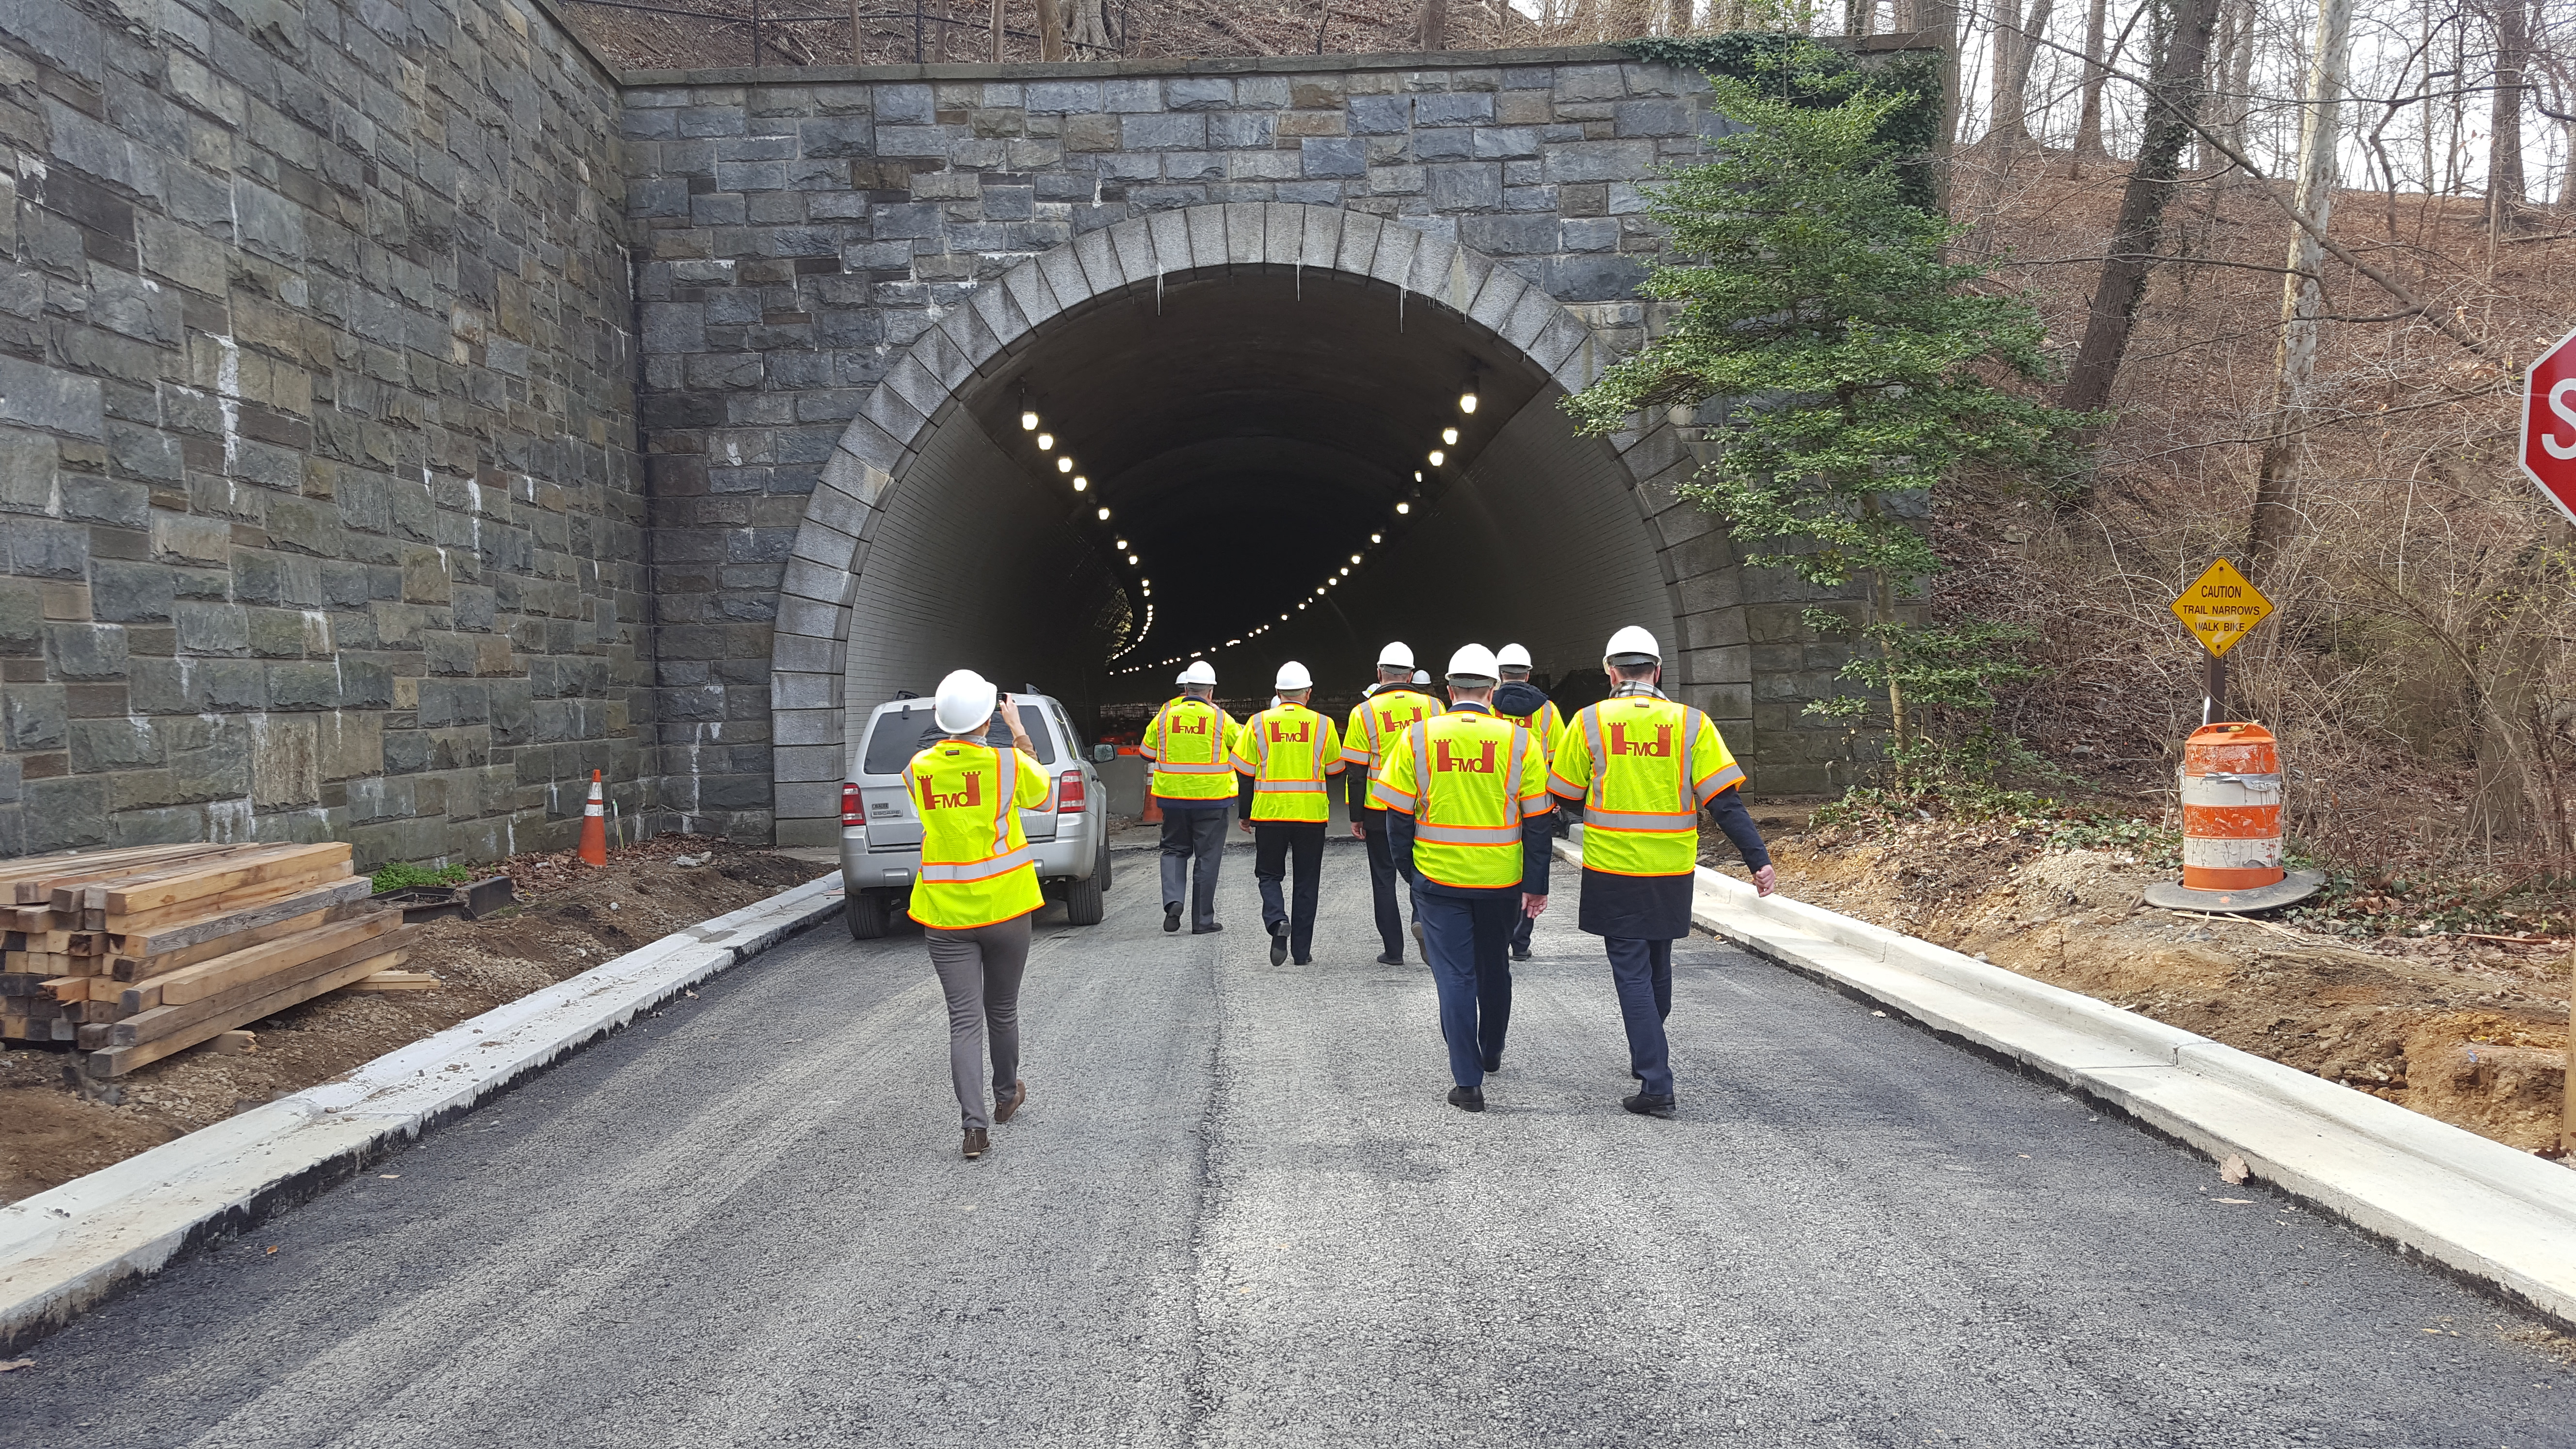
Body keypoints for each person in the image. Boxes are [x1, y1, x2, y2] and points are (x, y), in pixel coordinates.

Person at [1547, 626, 1776, 1119]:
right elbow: (1724, 801)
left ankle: (1655, 1082)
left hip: (1613, 866)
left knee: (1630, 973)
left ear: (1610, 671)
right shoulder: (1692, 724)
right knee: (1656, 964)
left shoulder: (1588, 721)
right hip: (1671, 866)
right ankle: (1647, 1052)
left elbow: (1562, 794)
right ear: (1657, 671)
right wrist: (1757, 859)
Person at [1375, 644, 1553, 1113]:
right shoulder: (1520, 742)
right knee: (1495, 967)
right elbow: (1538, 821)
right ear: (1493, 690)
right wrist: (1537, 883)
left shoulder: (1417, 737)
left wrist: (1410, 871)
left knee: (1455, 975)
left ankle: (1467, 1081)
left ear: (1449, 689)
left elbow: (1397, 818)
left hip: (1438, 878)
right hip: (1500, 878)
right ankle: (1492, 1052)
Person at [905, 669, 1052, 1160]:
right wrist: (1019, 733)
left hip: (945, 915)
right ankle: (1007, 1095)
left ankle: (974, 1128)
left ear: (938, 718)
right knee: (1002, 1010)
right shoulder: (1007, 764)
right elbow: (1041, 795)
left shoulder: (917, 769)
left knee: (962, 1021)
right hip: (1006, 908)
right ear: (989, 717)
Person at [1233, 662, 1345, 966]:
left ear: (1278, 693)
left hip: (1270, 814)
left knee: (1269, 875)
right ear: (1308, 693)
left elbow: (1244, 772)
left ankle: (1277, 920)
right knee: (1307, 882)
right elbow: (1336, 770)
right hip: (1311, 816)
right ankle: (1302, 953)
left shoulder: (1258, 723)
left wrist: (1245, 814)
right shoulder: (1324, 724)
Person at [1344, 643, 1442, 965]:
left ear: (1378, 673)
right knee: (1424, 869)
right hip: (1423, 807)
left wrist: (1355, 815)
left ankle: (1393, 950)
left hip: (1379, 808)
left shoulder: (1364, 712)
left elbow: (1356, 772)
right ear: (1412, 675)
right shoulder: (1434, 706)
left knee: (1383, 879)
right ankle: (1422, 920)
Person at [1142, 658, 1239, 934]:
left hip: (1173, 799)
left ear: (1186, 689)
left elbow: (1147, 753)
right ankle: (1202, 921)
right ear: (1211, 692)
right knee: (1207, 857)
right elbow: (1244, 747)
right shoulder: (1220, 717)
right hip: (1212, 799)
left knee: (1173, 849)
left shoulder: (1164, 716)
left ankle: (1174, 904)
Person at [1491, 643, 1565, 963]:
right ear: (1529, 674)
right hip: (1537, 796)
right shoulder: (1547, 710)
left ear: (1499, 673)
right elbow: (1559, 757)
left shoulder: (1489, 705)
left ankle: (1499, 931)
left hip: (1499, 797)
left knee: (1502, 862)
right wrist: (1556, 799)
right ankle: (1521, 941)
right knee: (1533, 861)